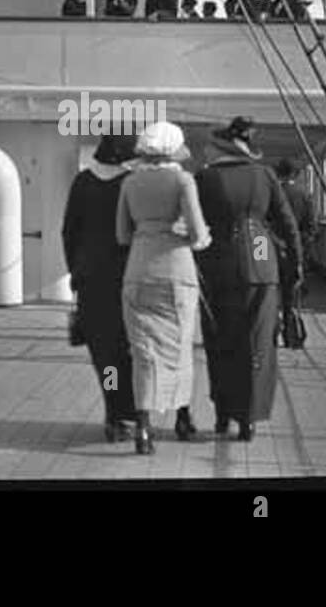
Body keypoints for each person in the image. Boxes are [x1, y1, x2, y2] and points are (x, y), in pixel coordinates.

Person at [194, 117, 301, 441]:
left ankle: (223, 414)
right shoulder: (265, 175)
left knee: (220, 341)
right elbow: (287, 224)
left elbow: (194, 225)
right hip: (260, 261)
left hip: (218, 267)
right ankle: (249, 419)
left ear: (221, 147)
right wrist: (295, 268)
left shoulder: (205, 178)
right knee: (257, 343)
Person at [117, 122, 211, 454]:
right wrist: (185, 235)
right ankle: (182, 418)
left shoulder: (129, 182)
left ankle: (143, 428)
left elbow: (122, 235)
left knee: (143, 352)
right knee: (180, 348)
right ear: (174, 149)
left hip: (137, 272)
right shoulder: (183, 180)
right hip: (176, 274)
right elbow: (199, 234)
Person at [62, 135, 140, 442]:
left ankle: (112, 413)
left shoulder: (82, 182)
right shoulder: (130, 183)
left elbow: (68, 230)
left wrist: (75, 271)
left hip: (91, 282)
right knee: (127, 352)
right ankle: (131, 411)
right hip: (126, 278)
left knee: (104, 355)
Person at [274, 159, 315, 349]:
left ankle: (271, 333)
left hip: (271, 250)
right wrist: (303, 248)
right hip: (295, 251)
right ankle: (292, 336)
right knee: (291, 295)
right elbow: (311, 227)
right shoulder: (304, 195)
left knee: (270, 293)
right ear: (296, 175)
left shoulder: (271, 194)